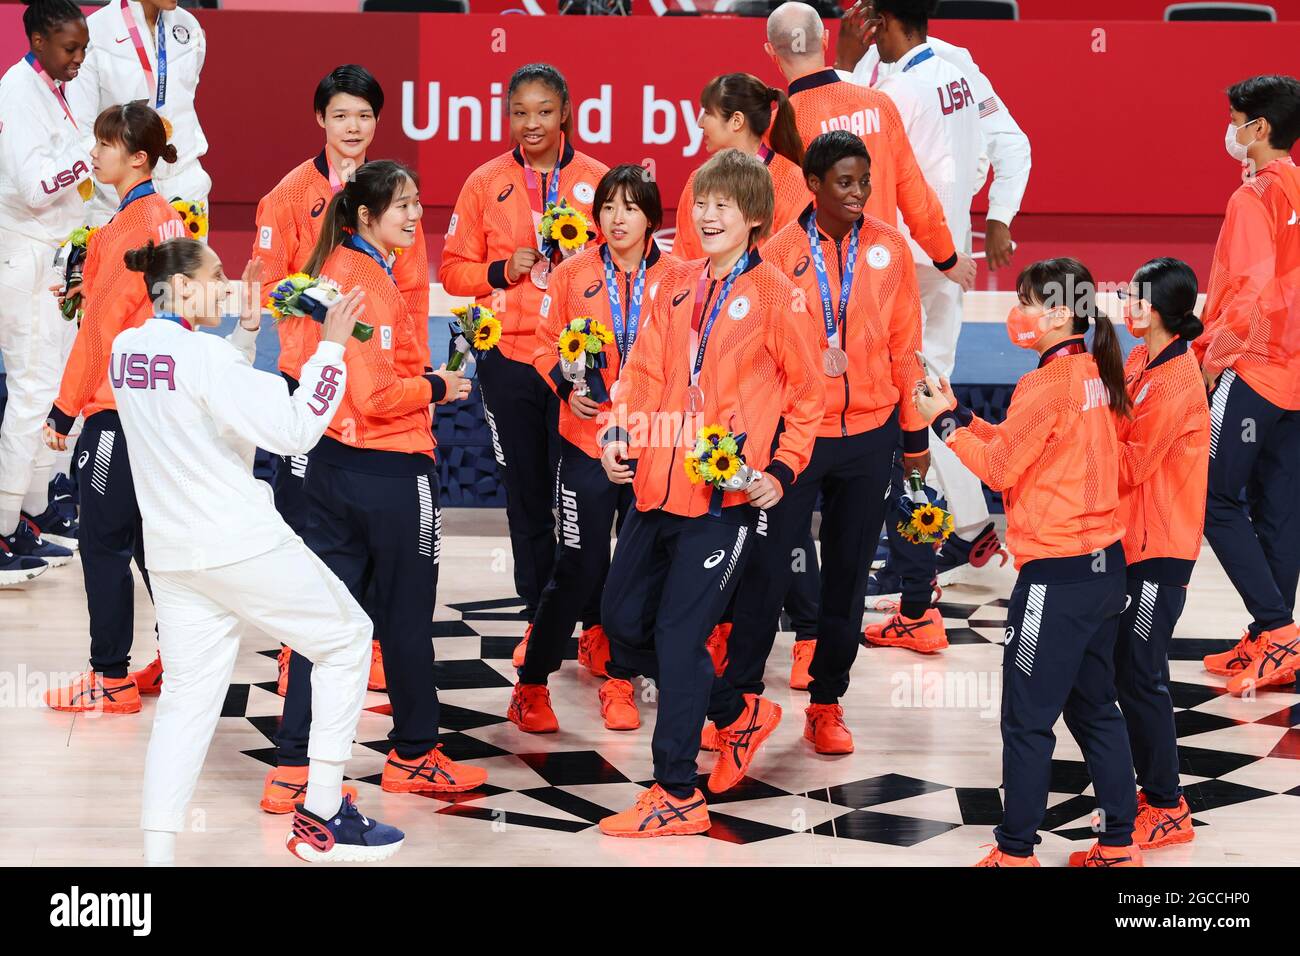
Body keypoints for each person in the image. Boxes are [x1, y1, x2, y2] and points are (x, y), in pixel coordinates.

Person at [110, 237, 402, 864]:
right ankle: (323, 816)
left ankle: (156, 859)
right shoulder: (204, 359)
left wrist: (242, 335)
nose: (232, 284)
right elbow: (294, 430)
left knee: (187, 703)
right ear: (183, 288)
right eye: (218, 276)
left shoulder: (126, 350)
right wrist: (331, 345)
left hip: (174, 558)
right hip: (237, 543)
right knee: (348, 638)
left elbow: (202, 407)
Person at [595, 149, 822, 837]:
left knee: (678, 635)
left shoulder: (781, 295)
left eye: (725, 204)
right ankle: (737, 711)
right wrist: (615, 434)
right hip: (653, 489)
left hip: (721, 503)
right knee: (621, 621)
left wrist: (780, 473)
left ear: (755, 217)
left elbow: (809, 395)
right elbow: (637, 373)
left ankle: (676, 792)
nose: (709, 213)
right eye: (702, 202)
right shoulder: (673, 282)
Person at [266, 160, 486, 814]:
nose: (415, 216)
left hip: (334, 471)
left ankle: (291, 769)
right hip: (389, 472)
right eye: (401, 206)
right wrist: (439, 388)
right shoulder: (358, 282)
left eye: (419, 203)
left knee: (324, 623)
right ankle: (415, 755)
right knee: (407, 618)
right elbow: (376, 393)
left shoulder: (342, 269)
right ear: (365, 216)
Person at [914, 258, 1141, 868]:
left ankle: (1015, 851)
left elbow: (999, 469)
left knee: (1026, 719)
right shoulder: (1092, 373)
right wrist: (959, 417)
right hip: (1102, 569)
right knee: (1095, 707)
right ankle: (1119, 843)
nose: (1019, 311)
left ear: (1060, 312)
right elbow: (1022, 447)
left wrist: (941, 423)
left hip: (1057, 577)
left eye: (1028, 301)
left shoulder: (1046, 385)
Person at [711, 131, 926, 758]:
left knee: (847, 579)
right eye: (844, 182)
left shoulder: (891, 249)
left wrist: (913, 435)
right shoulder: (776, 254)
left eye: (864, 180)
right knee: (765, 572)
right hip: (795, 442)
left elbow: (906, 349)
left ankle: (827, 703)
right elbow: (757, 362)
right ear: (812, 184)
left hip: (870, 435)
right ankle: (742, 705)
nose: (858, 192)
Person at [251, 64, 428, 696]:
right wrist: (315, 300)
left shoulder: (393, 194)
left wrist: (417, 375)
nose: (353, 127)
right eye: (341, 115)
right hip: (314, 386)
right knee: (309, 533)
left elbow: (409, 292)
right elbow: (266, 284)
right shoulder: (290, 194)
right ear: (320, 120)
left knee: (379, 544)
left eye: (364, 116)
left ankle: (370, 643)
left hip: (381, 393)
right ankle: (296, 651)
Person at [834, 0, 1010, 590]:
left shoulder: (900, 90)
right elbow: (987, 153)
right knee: (929, 386)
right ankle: (967, 523)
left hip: (909, 256)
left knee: (908, 398)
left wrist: (846, 65)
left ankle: (937, 535)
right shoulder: (956, 67)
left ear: (881, 22)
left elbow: (845, 138)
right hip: (949, 248)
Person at [440, 63, 608, 654]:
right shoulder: (484, 182)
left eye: (543, 111)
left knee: (587, 496)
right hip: (508, 361)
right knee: (528, 495)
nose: (531, 123)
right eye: (519, 112)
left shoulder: (598, 181)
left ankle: (595, 625)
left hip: (580, 366)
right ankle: (541, 619)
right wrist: (498, 271)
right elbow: (452, 272)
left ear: (565, 111)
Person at [514, 164, 680, 733]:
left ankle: (620, 682)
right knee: (580, 567)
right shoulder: (571, 274)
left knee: (641, 571)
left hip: (652, 448)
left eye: (630, 208)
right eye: (608, 206)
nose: (616, 218)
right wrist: (565, 386)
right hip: (585, 441)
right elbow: (542, 347)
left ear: (652, 217)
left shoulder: (682, 277)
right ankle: (531, 686)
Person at [41, 102, 184, 713]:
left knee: (103, 541)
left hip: (115, 414)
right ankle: (180, 661)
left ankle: (110, 677)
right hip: (161, 409)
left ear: (138, 157)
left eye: (104, 145)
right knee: (154, 543)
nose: (94, 154)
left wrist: (64, 410)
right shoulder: (168, 219)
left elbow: (99, 332)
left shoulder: (126, 232)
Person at [1196, 74, 1300, 696]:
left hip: (1254, 370)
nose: (1230, 131)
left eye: (1236, 119)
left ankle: (1276, 629)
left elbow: (1253, 295)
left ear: (1259, 128)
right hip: (1294, 376)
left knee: (1214, 498)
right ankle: (1273, 637)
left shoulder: (1252, 198)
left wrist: (1214, 362)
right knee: (1279, 509)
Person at [1114, 257, 1208, 850]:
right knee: (1128, 668)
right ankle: (1153, 790)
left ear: (1158, 311)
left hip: (1160, 552)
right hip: (1132, 540)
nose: (1126, 303)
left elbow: (1131, 462)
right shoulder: (1139, 359)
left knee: (1141, 673)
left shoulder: (1177, 382)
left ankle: (1169, 804)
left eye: (1135, 297)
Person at [836, 0, 1031, 276]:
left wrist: (1000, 214)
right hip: (883, 238)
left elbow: (1008, 140)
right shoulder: (860, 61)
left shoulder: (952, 61)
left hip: (940, 236)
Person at [0, 0, 92, 584]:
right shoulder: (17, 89)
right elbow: (36, 187)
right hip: (23, 254)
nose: (79, 58)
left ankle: (27, 516)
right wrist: (92, 154)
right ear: (35, 39)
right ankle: (2, 527)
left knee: (58, 388)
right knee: (33, 392)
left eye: (83, 46)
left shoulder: (57, 83)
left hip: (55, 254)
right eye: (69, 48)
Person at [65, 0, 209, 228]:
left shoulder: (189, 26)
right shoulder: (96, 32)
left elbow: (185, 99)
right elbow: (83, 127)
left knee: (192, 264)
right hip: (118, 197)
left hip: (184, 188)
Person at [670, 72, 808, 262]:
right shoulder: (698, 181)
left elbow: (797, 263)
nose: (700, 124)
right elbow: (683, 260)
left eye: (708, 113)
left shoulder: (794, 183)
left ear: (736, 121)